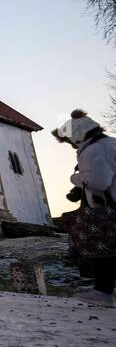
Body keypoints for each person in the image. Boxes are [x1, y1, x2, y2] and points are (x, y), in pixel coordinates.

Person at [54, 110, 116, 308]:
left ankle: (103, 291)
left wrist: (76, 179)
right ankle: (103, 290)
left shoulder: (94, 149)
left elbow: (99, 181)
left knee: (101, 246)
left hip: (107, 209)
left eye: (70, 141)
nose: (72, 145)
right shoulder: (109, 144)